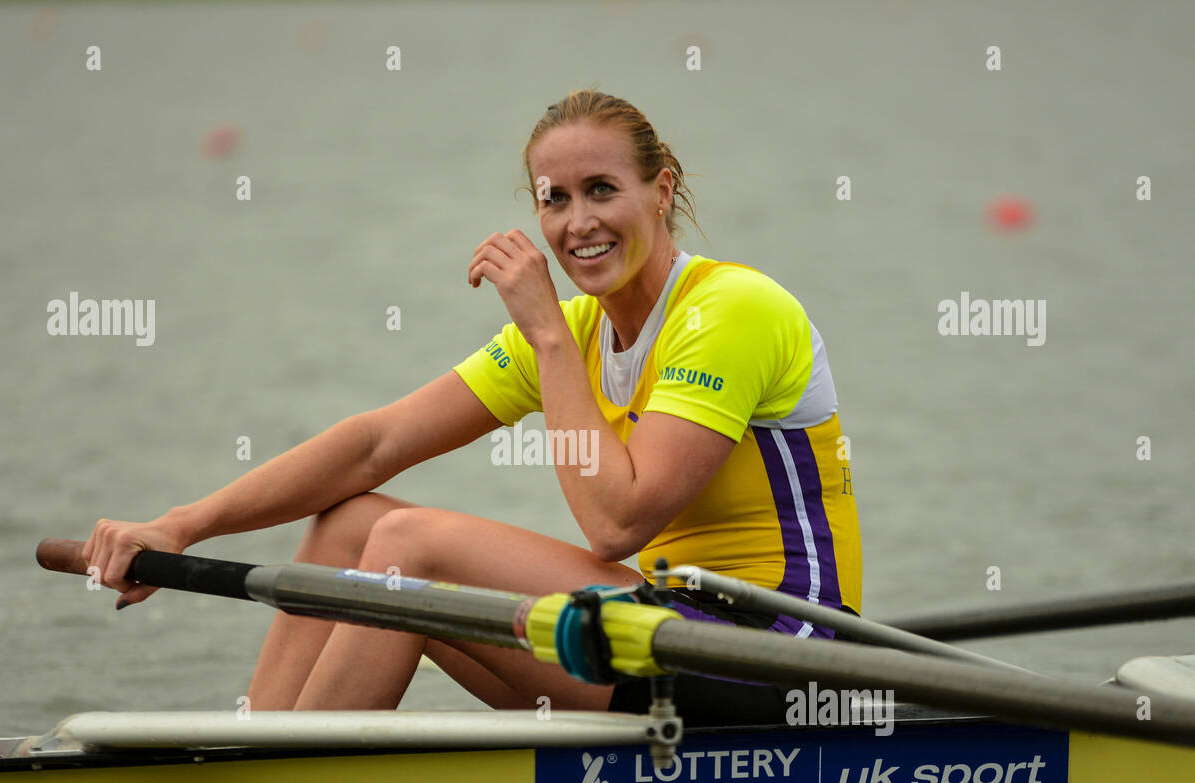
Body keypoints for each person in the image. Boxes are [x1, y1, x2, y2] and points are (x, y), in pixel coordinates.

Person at [81, 89, 861, 727]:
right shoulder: (577, 330)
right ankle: (253, 754)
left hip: (783, 661)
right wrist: (180, 526)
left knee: (410, 545)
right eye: (555, 200)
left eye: (602, 190)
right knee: (352, 526)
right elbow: (372, 446)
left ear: (662, 190)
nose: (577, 223)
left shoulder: (730, 310)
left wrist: (548, 333)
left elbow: (617, 523)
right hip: (662, 637)